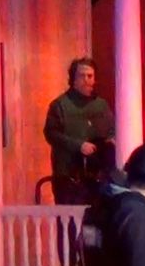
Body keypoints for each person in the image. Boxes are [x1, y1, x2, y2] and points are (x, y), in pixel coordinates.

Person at [44, 57, 116, 204]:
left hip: (98, 177)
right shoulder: (59, 105)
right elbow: (51, 134)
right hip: (68, 177)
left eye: (90, 76)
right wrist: (79, 146)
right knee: (69, 223)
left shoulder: (101, 105)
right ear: (73, 79)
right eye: (81, 76)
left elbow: (111, 131)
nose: (86, 80)